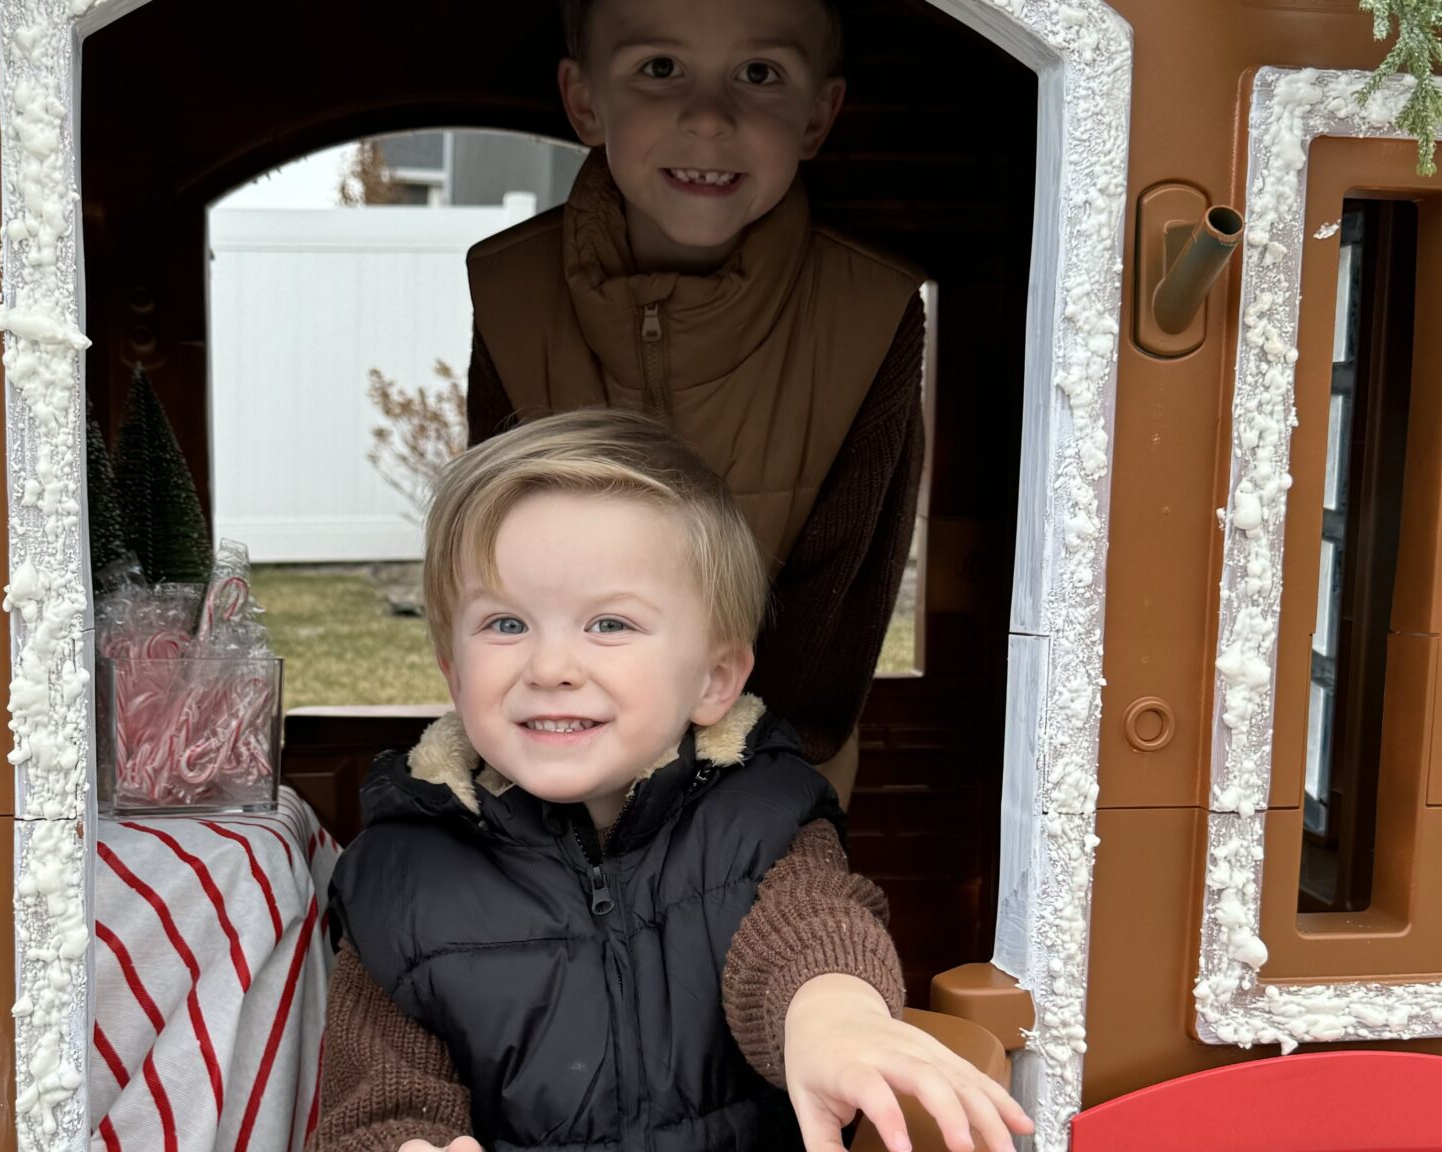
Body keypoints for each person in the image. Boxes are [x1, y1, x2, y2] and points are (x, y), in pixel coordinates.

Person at [314, 411, 1027, 1152]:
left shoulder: (761, 817)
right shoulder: (401, 881)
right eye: (506, 625)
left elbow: (811, 933)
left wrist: (836, 1019)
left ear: (714, 680)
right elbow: (377, 1102)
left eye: (610, 625)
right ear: (454, 673)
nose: (551, 666)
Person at [465, 0, 928, 809]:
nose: (710, 117)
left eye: (759, 74)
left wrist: (722, 821)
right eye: (659, 68)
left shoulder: (870, 311)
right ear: (583, 100)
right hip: (549, 774)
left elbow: (837, 613)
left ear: (818, 115)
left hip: (771, 788)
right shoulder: (513, 294)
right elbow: (497, 570)